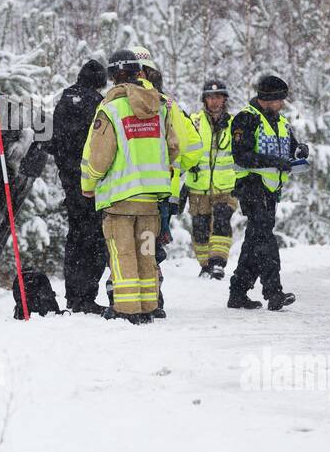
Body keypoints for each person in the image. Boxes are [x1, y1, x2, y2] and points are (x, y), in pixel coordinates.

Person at [80, 49, 181, 324]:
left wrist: (88, 183)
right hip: (151, 200)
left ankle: (127, 310)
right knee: (147, 252)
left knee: (122, 253)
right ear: (139, 72)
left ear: (112, 76)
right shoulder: (160, 106)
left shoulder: (111, 109)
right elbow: (174, 147)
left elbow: (99, 157)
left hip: (120, 200)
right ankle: (149, 306)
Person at [228, 73, 309, 311]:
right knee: (265, 239)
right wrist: (273, 161)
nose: (282, 104)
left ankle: (237, 292)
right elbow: (241, 155)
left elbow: (291, 148)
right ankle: (274, 292)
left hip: (271, 189)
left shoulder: (280, 122)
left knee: (255, 240)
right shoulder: (246, 118)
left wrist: (299, 151)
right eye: (279, 100)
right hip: (252, 186)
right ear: (266, 99)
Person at [133, 48, 202, 318]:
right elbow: (193, 147)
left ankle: (123, 294)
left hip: (123, 194)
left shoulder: (113, 102)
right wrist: (173, 170)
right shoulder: (168, 105)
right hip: (161, 193)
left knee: (125, 244)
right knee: (150, 245)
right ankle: (152, 297)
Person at [51, 58, 109, 313]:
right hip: (91, 181)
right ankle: (86, 296)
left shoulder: (63, 102)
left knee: (75, 237)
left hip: (69, 181)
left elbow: (55, 142)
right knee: (94, 239)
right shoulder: (98, 104)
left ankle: (74, 295)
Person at [186, 79, 238, 279]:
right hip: (198, 185)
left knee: (221, 221)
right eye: (210, 97)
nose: (214, 102)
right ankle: (205, 264)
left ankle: (218, 263)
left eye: (218, 97)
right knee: (200, 228)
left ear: (224, 99)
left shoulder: (234, 124)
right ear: (204, 100)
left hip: (226, 186)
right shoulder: (194, 121)